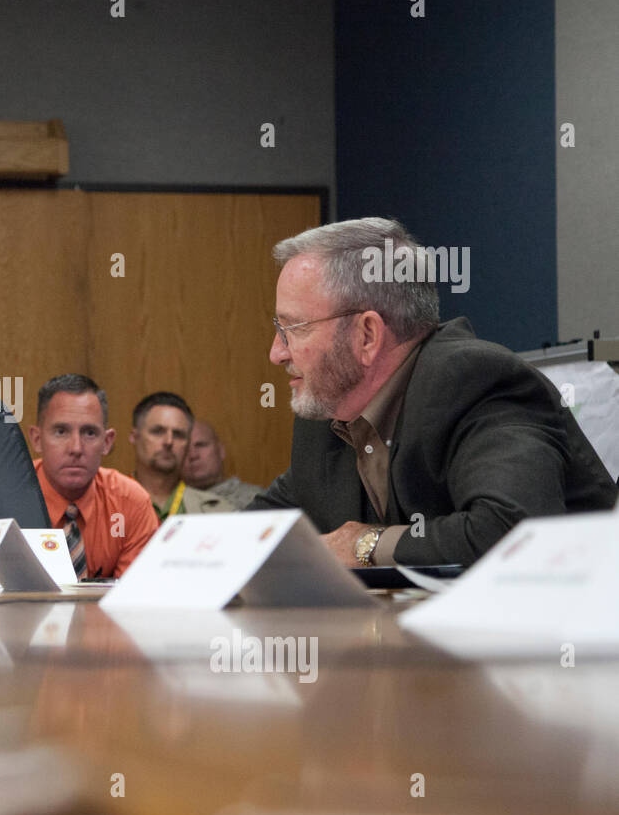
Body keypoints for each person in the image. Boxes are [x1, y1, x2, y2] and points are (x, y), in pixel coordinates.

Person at [250, 217, 617, 566]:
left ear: (367, 335)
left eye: (293, 328)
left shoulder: (476, 382)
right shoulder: (331, 412)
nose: (276, 353)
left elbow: (515, 531)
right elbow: (255, 531)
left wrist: (366, 544)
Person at [27, 374, 158, 579]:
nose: (76, 448)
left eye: (89, 433)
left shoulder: (131, 504)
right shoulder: (6, 497)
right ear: (37, 439)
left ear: (107, 442)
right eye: (61, 432)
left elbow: (129, 602)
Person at [129, 392, 233, 519]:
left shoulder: (220, 512)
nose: (169, 441)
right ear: (135, 437)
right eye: (158, 432)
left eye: (178, 434)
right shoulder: (107, 503)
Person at [182, 419, 265, 510]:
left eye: (201, 445)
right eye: (185, 449)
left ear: (221, 450)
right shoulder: (171, 506)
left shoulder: (258, 499)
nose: (193, 455)